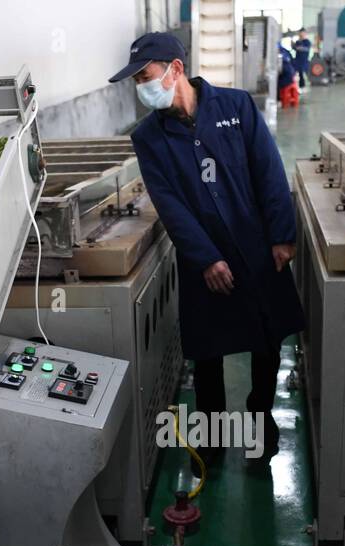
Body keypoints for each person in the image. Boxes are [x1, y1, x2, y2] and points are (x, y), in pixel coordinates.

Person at [109, 32, 305, 458]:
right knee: (208, 352)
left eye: (146, 76)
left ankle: (260, 426)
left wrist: (282, 235)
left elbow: (268, 170)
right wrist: (205, 257)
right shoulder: (149, 138)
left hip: (256, 247)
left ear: (175, 69)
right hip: (205, 258)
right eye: (136, 80)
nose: (141, 87)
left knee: (266, 340)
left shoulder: (235, 107)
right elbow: (170, 204)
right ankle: (213, 439)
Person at [277, 43, 299, 108]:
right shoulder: (286, 54)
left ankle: (280, 100)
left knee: (276, 84)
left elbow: (281, 71)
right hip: (292, 78)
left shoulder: (282, 59)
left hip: (288, 80)